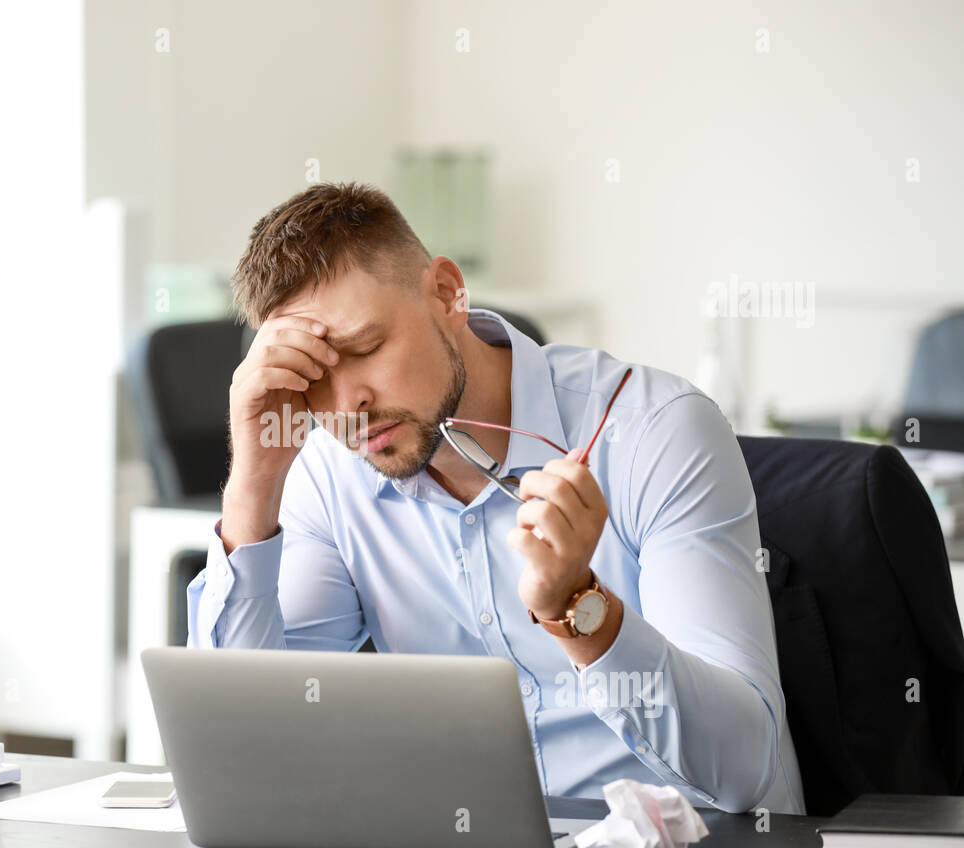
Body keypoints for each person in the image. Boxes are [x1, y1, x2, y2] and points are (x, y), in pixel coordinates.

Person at [186, 181, 805, 815]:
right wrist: (254, 486)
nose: (348, 407)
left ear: (448, 292)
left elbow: (744, 770)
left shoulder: (655, 430)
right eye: (315, 379)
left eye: (367, 349)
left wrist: (580, 610)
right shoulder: (328, 472)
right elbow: (255, 752)